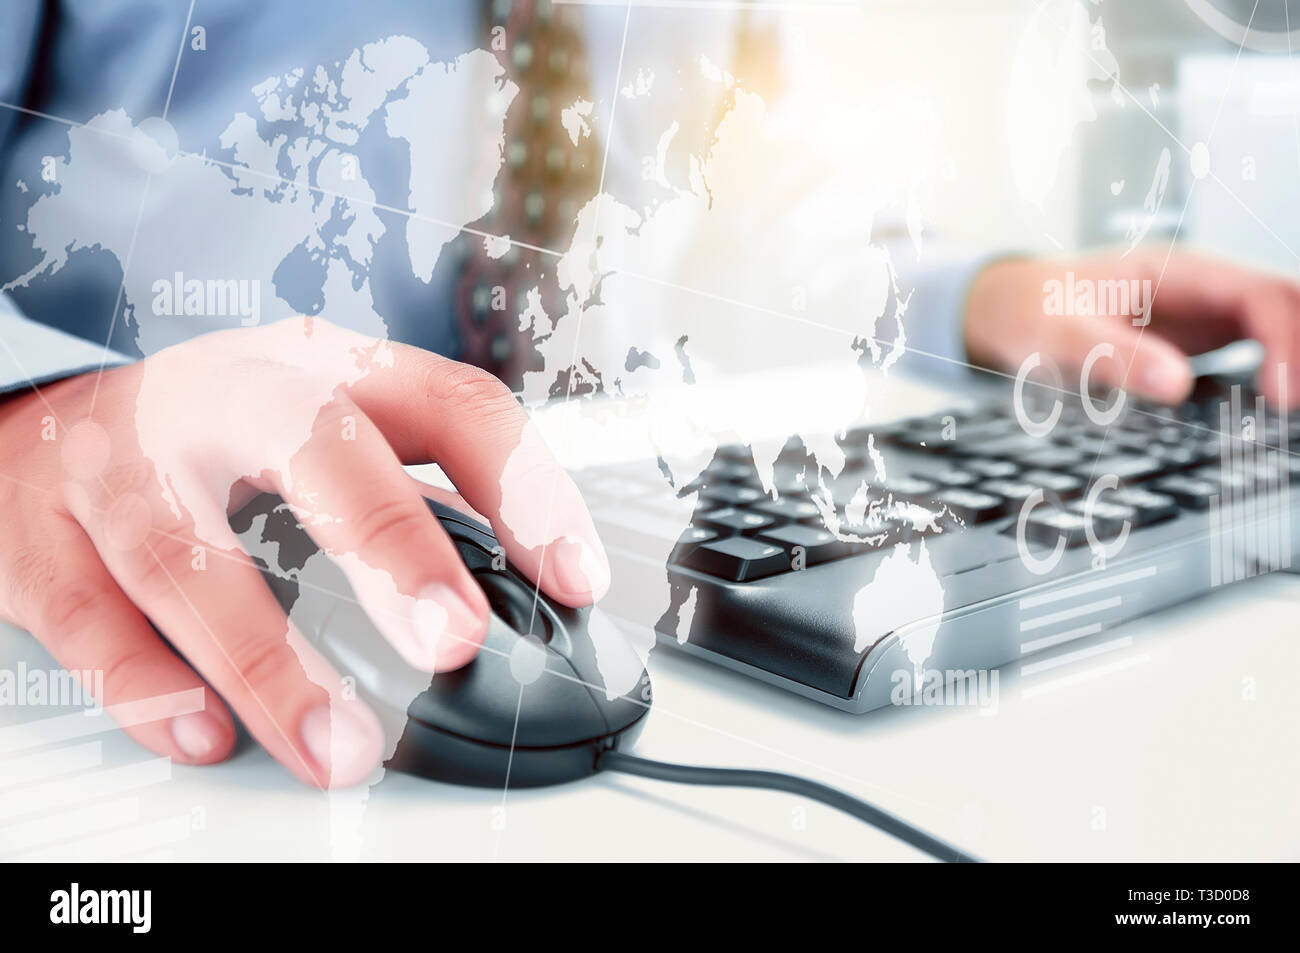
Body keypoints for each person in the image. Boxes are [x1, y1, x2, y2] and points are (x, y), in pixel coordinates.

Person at [0, 0, 1295, 789]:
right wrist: (34, 405)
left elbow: (737, 207)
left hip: (611, 512)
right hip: (145, 569)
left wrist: (981, 291)